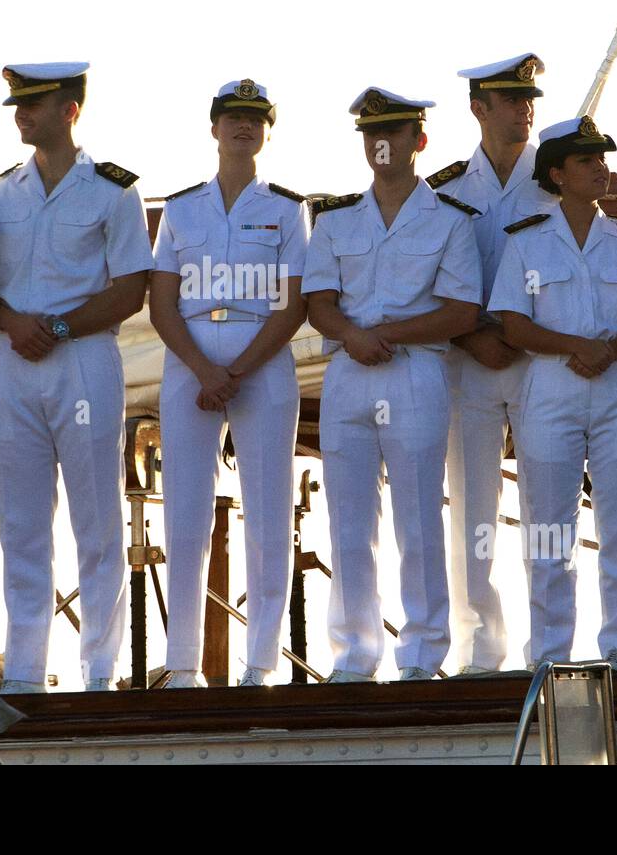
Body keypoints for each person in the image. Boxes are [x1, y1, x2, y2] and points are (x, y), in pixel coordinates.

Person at [0, 62, 151, 694]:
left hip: (84, 362)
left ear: (70, 109)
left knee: (96, 520)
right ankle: (23, 672)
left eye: (35, 104)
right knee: (20, 523)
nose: (21, 113)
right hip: (13, 364)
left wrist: (61, 327)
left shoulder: (112, 191)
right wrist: (16, 324)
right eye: (18, 103)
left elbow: (130, 289)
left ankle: (99, 669)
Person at [302, 87, 481, 682]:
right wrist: (353, 337)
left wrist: (389, 333)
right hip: (349, 373)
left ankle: (424, 651)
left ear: (419, 141)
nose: (380, 143)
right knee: (349, 522)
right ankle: (355, 655)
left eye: (395, 133)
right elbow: (318, 301)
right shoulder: (334, 219)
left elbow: (462, 311)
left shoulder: (451, 221)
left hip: (415, 371)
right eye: (370, 134)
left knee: (418, 519)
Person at [489, 115, 617, 672]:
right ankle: (548, 653)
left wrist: (607, 352)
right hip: (550, 385)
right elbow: (512, 324)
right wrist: (576, 345)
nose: (600, 169)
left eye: (602, 159)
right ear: (558, 174)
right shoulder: (526, 241)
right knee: (548, 529)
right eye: (587, 161)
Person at [149, 79, 309, 688]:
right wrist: (202, 368)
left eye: (255, 118)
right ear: (213, 128)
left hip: (259, 354)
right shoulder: (182, 208)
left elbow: (293, 303)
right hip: (190, 354)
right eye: (233, 116)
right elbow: (162, 299)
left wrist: (236, 371)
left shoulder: (287, 210)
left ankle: (260, 663)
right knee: (185, 514)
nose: (244, 126)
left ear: (268, 130)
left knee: (268, 510)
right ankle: (183, 664)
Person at [430, 52, 556, 674]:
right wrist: (475, 335)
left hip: (539, 360)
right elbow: (427, 278)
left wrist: (524, 336)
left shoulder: (557, 182)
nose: (523, 107)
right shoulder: (446, 190)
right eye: (510, 98)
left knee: (547, 507)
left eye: (529, 97)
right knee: (472, 508)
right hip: (469, 358)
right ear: (479, 108)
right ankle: (480, 645)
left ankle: (549, 646)